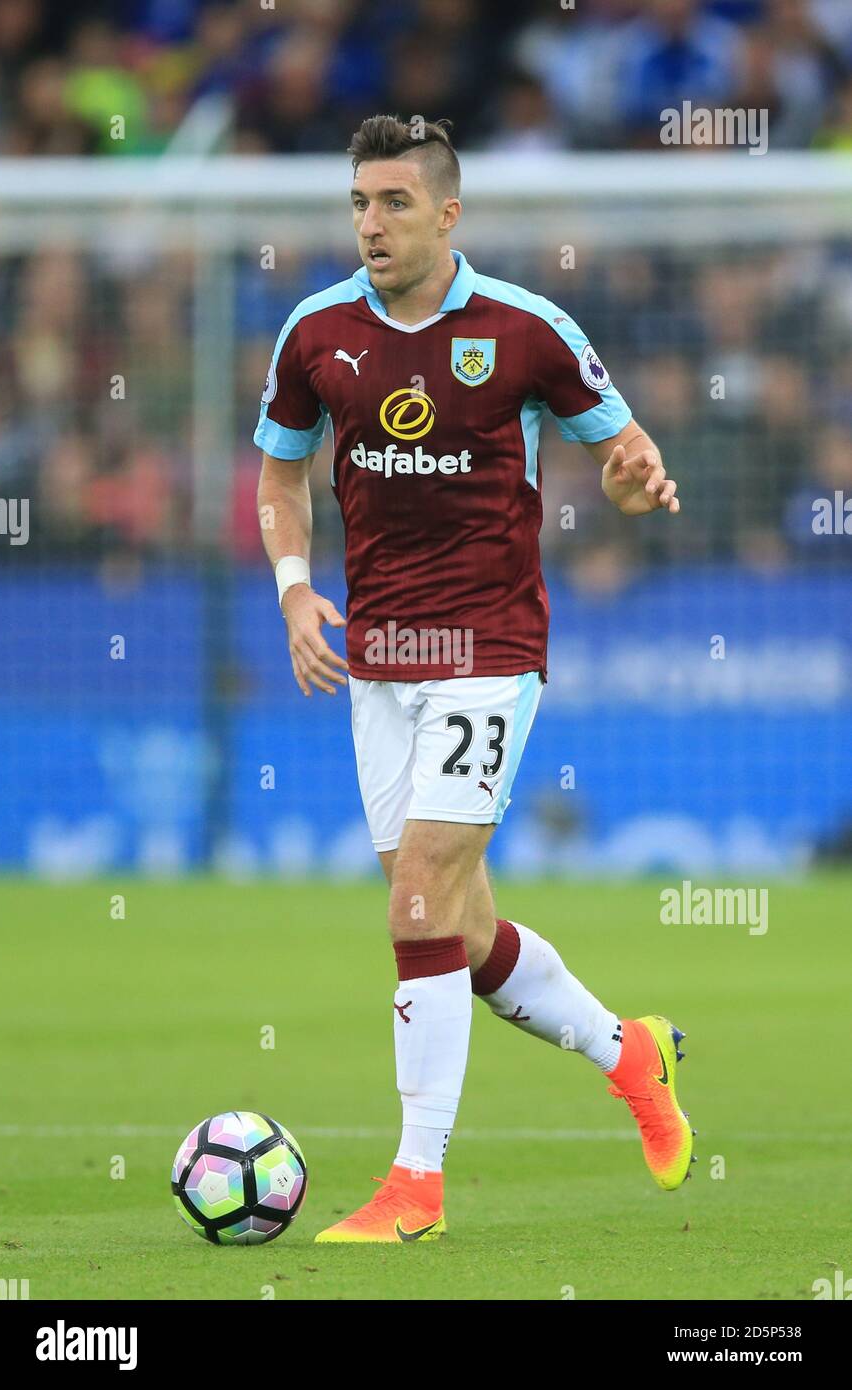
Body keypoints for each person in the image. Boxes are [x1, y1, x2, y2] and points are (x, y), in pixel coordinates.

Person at [255, 114, 693, 1244]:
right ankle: (626, 1052)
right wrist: (297, 590)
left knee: (417, 900)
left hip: (488, 648)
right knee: (457, 927)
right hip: (379, 657)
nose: (370, 224)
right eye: (358, 203)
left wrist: (636, 479)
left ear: (447, 214)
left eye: (393, 204)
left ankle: (416, 1183)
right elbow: (278, 479)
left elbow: (623, 449)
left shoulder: (525, 329)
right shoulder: (313, 333)